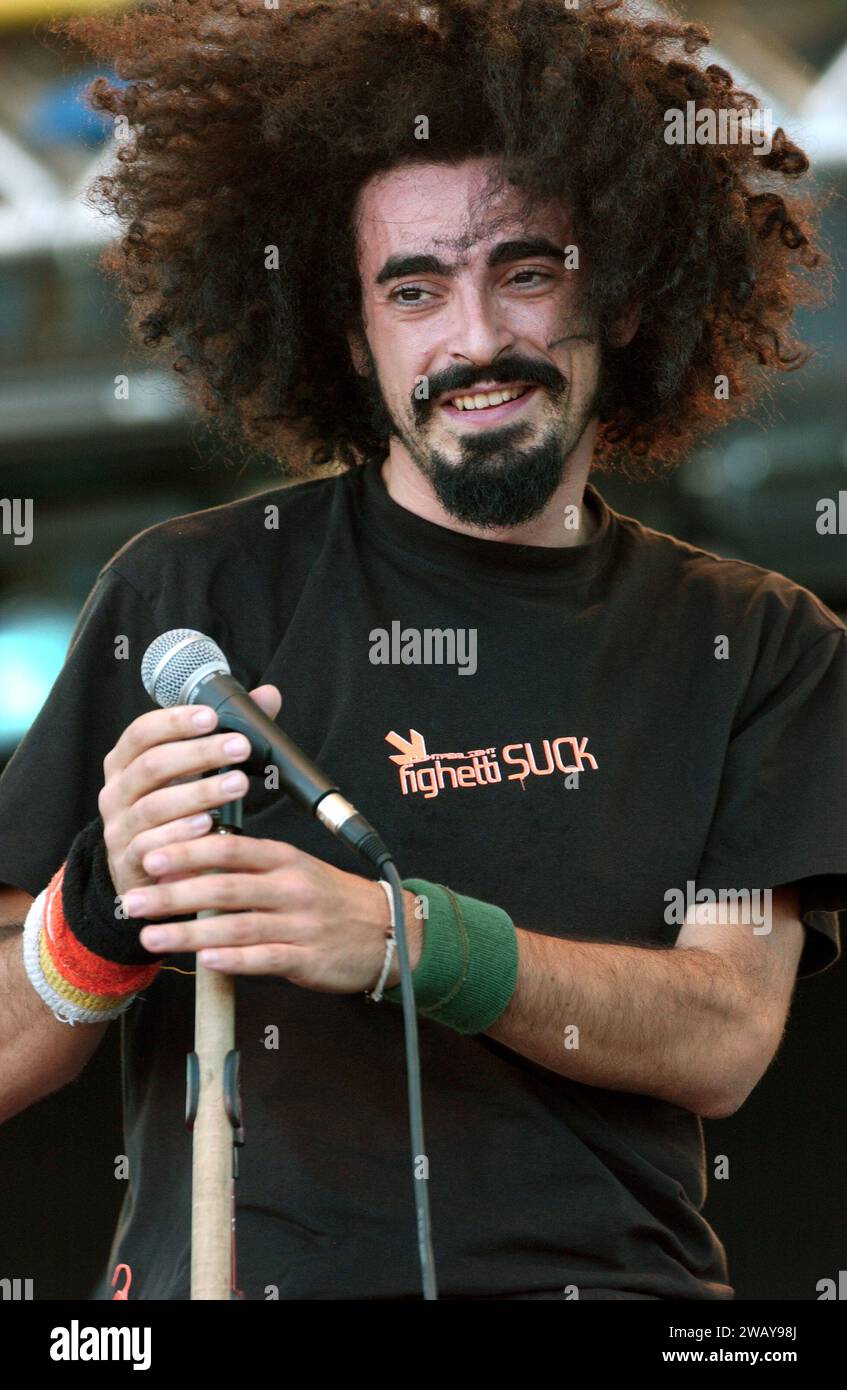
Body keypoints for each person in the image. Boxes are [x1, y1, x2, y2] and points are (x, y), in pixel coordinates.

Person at [0, 0, 845, 1301]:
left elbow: (725, 1027)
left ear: (616, 291)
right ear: (351, 336)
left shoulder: (760, 643)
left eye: (526, 269)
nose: (475, 339)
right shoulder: (186, 601)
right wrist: (98, 906)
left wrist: (407, 939)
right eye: (414, 288)